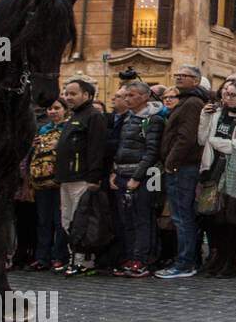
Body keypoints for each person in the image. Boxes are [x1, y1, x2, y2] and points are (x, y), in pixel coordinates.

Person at [195, 80, 236, 278]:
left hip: (235, 171)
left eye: (232, 95)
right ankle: (218, 257)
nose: (227, 98)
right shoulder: (216, 115)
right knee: (213, 217)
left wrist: (216, 142)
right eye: (225, 94)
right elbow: (203, 139)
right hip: (213, 169)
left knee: (232, 217)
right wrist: (204, 116)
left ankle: (231, 260)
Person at [157, 66, 211, 278]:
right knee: (182, 215)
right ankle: (186, 259)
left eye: (184, 75)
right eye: (177, 75)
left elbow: (186, 137)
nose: (178, 78)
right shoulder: (189, 101)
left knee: (182, 216)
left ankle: (184, 262)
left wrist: (171, 162)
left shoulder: (191, 103)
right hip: (181, 166)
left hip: (182, 167)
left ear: (196, 81)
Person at [110, 82, 165, 278]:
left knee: (142, 218)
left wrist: (137, 177)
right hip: (122, 172)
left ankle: (141, 259)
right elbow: (120, 147)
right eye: (126, 96)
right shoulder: (127, 119)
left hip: (141, 175)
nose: (127, 99)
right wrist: (114, 170)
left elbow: (151, 152)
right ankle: (130, 256)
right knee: (127, 219)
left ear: (144, 97)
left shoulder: (153, 120)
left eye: (131, 95)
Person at [54, 78, 108, 275]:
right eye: (66, 93)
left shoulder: (93, 116)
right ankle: (73, 257)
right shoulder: (73, 116)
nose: (68, 97)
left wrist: (94, 178)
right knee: (67, 220)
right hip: (66, 177)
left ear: (87, 95)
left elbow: (97, 148)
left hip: (82, 177)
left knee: (82, 221)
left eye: (72, 94)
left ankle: (84, 261)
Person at [27, 98, 69, 272]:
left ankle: (60, 256)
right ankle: (42, 257)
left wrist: (59, 145)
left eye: (57, 108)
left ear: (65, 110)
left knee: (60, 222)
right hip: (41, 181)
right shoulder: (43, 129)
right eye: (50, 109)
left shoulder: (67, 128)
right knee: (43, 221)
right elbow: (32, 155)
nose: (53, 112)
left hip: (59, 181)